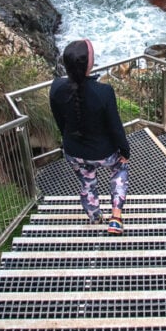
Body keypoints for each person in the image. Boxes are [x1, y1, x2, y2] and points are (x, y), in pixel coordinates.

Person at [49, 38, 130, 234]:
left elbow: (61, 122)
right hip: (104, 151)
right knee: (120, 169)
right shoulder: (104, 91)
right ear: (88, 64)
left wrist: (69, 142)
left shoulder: (56, 87)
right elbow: (115, 127)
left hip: (74, 151)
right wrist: (124, 150)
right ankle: (116, 218)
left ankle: (95, 217)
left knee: (87, 182)